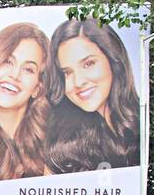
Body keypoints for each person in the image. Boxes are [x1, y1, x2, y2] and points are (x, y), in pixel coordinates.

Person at [45, 18, 140, 174]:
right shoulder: (61, 145)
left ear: (113, 59)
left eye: (88, 64)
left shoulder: (144, 124)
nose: (78, 82)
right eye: (67, 72)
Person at [0, 22, 50, 180]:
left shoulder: (52, 141)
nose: (15, 75)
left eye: (28, 69)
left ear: (37, 87)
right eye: (8, 62)